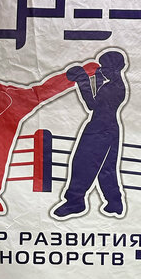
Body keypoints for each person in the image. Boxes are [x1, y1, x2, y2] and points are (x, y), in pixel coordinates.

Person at [0, 61, 98, 215]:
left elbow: (43, 91)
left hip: (9, 105)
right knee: (1, 153)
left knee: (1, 152)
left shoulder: (13, 100)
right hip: (10, 103)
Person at [51, 49, 128, 219]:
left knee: (83, 164)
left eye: (105, 67)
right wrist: (96, 77)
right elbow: (97, 99)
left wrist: (82, 80)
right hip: (106, 128)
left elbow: (92, 104)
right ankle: (114, 203)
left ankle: (75, 202)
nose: (102, 69)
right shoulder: (113, 84)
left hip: (100, 128)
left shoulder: (113, 87)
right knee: (105, 168)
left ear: (115, 68)